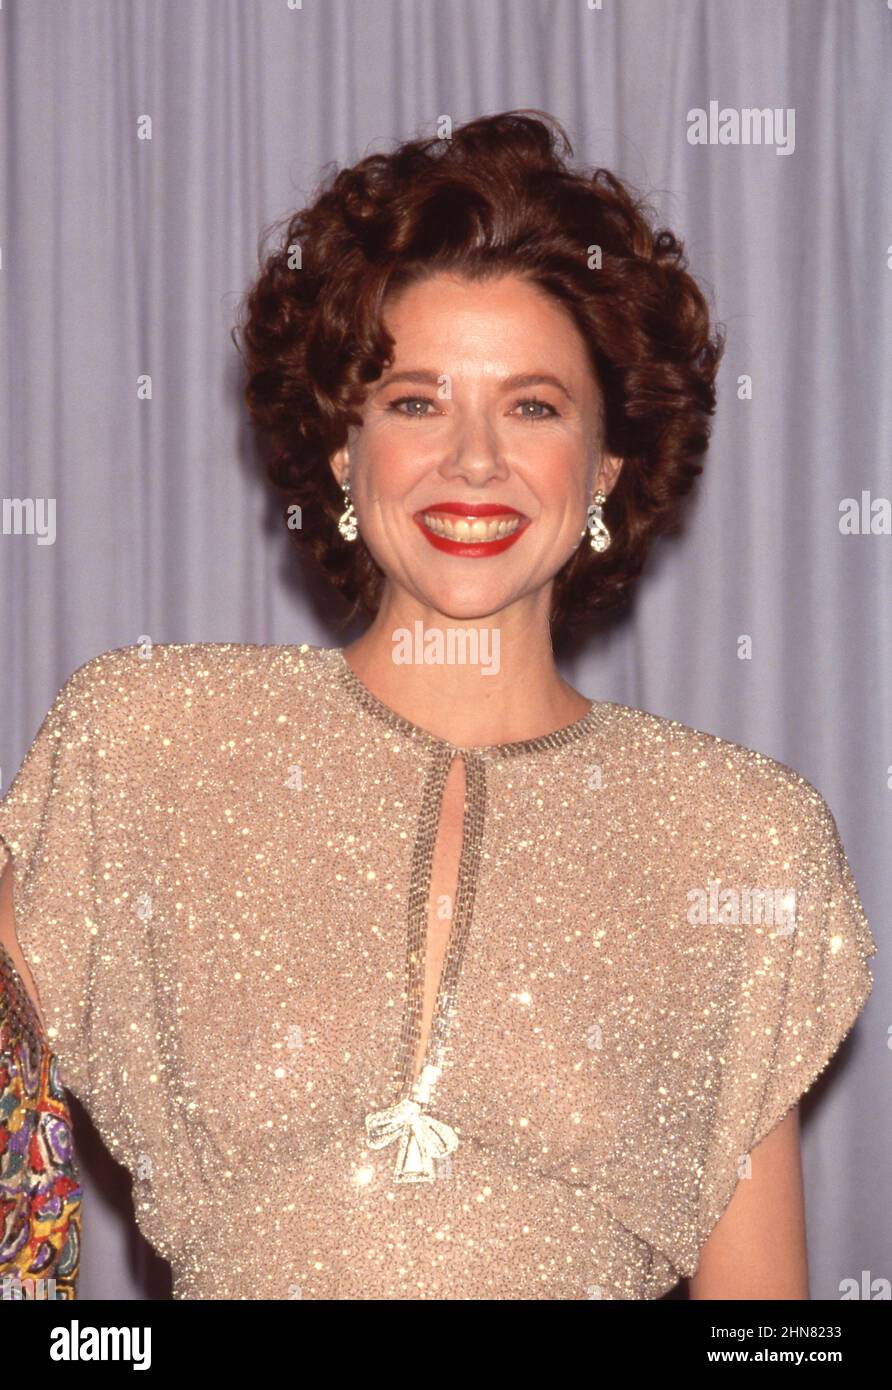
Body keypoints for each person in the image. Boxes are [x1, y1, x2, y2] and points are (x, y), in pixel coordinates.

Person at [0, 110, 875, 1300]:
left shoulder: (738, 833)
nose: (474, 461)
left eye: (533, 406)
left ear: (607, 466)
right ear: (341, 456)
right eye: (415, 402)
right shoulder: (145, 739)